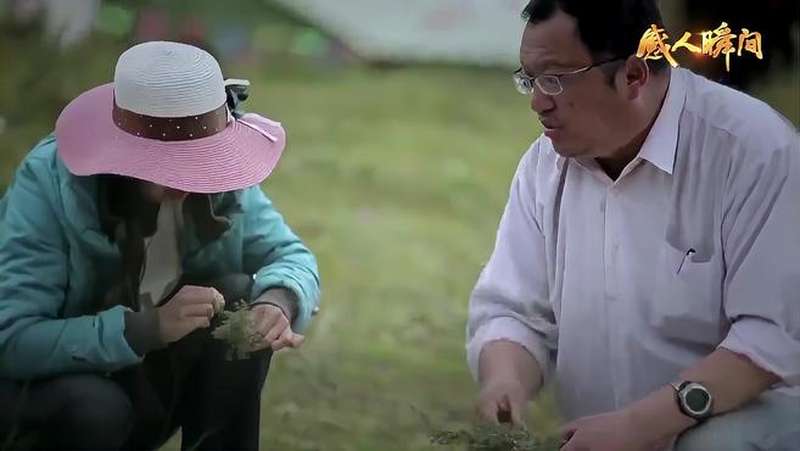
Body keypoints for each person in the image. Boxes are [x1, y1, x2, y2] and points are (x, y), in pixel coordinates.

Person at [466, 1, 799, 450]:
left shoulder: (754, 151)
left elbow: (769, 339)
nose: (538, 102)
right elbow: (512, 310)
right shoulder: (545, 166)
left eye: (555, 79)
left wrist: (639, 427)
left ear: (634, 75)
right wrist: (504, 382)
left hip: (753, 418)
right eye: (529, 79)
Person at [0, 41, 320, 451]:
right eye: (171, 166)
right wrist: (141, 329)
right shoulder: (50, 186)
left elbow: (291, 256)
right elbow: (12, 341)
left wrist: (279, 302)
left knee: (240, 295)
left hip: (141, 389)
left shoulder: (219, 181)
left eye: (201, 161)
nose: (190, 180)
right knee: (98, 408)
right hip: (49, 401)